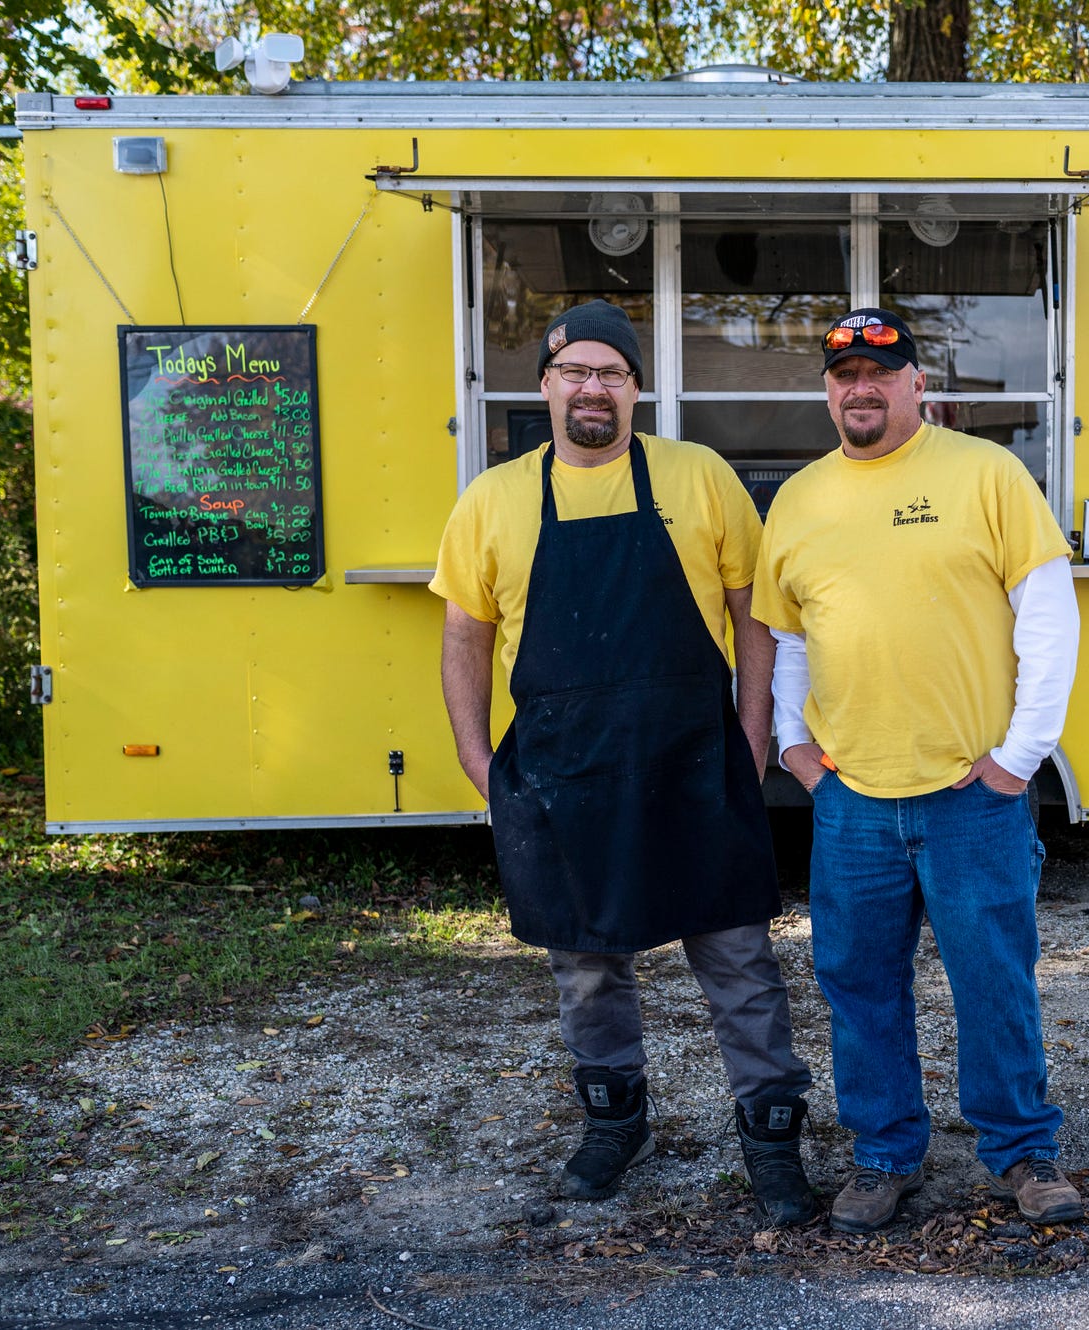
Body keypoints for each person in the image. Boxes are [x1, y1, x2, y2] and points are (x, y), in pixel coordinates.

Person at [432, 299, 816, 1227]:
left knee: (737, 959)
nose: (592, 389)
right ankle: (615, 1123)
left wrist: (754, 731)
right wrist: (478, 758)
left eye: (612, 373)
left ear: (637, 388)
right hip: (564, 777)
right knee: (587, 965)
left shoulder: (701, 475)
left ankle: (771, 1142)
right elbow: (463, 635)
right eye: (575, 372)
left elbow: (753, 615)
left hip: (693, 760)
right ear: (546, 385)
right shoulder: (492, 500)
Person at [752, 308, 1082, 1233]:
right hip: (852, 798)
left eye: (881, 372)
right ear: (828, 390)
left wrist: (1021, 758)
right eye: (844, 373)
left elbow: (1048, 619)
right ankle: (885, 1155)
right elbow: (788, 638)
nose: (862, 387)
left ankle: (1019, 1153)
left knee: (993, 979)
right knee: (857, 985)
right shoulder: (801, 499)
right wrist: (794, 748)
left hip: (969, 794)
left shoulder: (987, 476)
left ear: (916, 385)